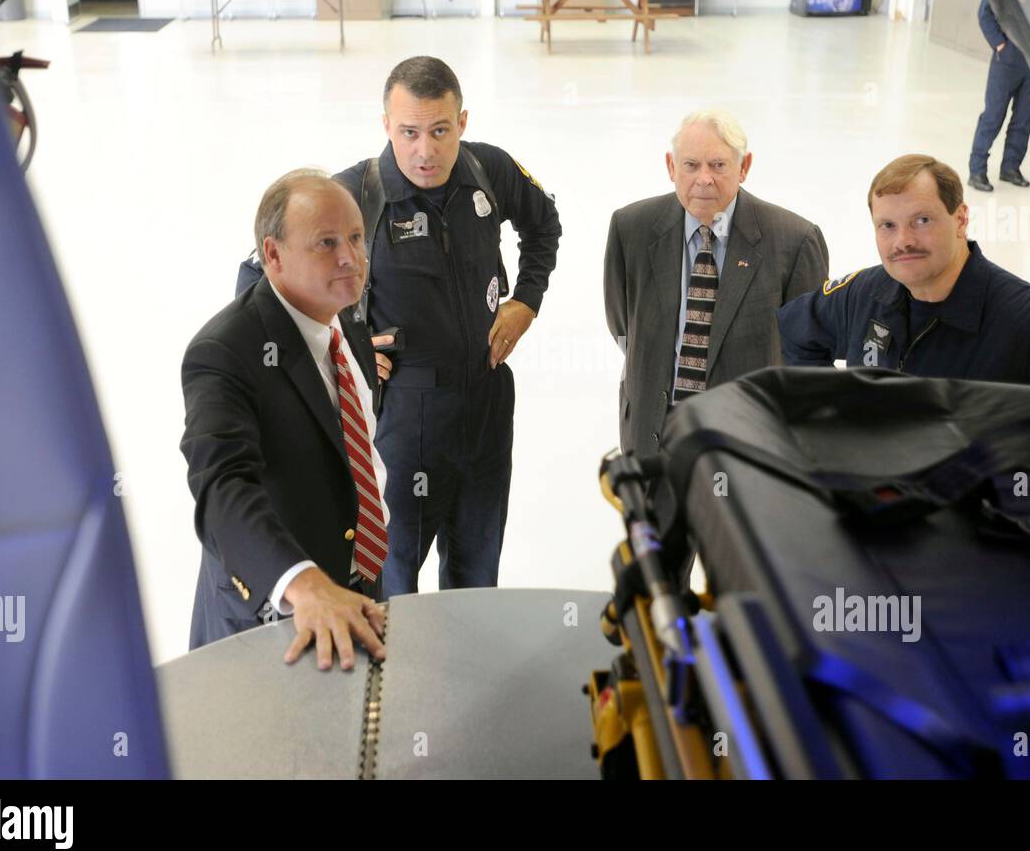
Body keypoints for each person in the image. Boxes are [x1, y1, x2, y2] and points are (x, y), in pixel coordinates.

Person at [333, 56, 561, 595]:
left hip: (486, 401)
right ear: (385, 125)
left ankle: (469, 671)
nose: (424, 150)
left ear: (463, 122)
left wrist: (526, 299)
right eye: (408, 132)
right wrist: (346, 346)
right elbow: (267, 286)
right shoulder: (352, 197)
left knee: (476, 576)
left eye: (439, 130)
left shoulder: (490, 170)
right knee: (393, 581)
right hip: (407, 419)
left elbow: (544, 223)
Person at [181, 169, 388, 668]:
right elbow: (222, 490)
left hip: (355, 587)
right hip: (274, 624)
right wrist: (306, 583)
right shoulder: (225, 351)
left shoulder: (346, 319)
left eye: (357, 238)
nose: (351, 257)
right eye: (326, 243)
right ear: (272, 255)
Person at [776, 153, 1030, 409]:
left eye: (922, 220)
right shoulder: (862, 294)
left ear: (961, 219)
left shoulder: (1025, 321)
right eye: (887, 225)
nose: (902, 240)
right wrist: (828, 413)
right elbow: (795, 330)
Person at [605, 110, 829, 456]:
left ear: (744, 167)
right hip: (652, 437)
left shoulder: (795, 242)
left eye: (719, 165)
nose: (704, 179)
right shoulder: (630, 228)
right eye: (691, 165)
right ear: (671, 167)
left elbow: (810, 359)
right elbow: (623, 326)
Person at [967, 0, 1030, 192]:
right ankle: (976, 170)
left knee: (1024, 119)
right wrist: (1000, 45)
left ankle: (1010, 168)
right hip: (1007, 59)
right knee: (993, 115)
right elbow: (985, 15)